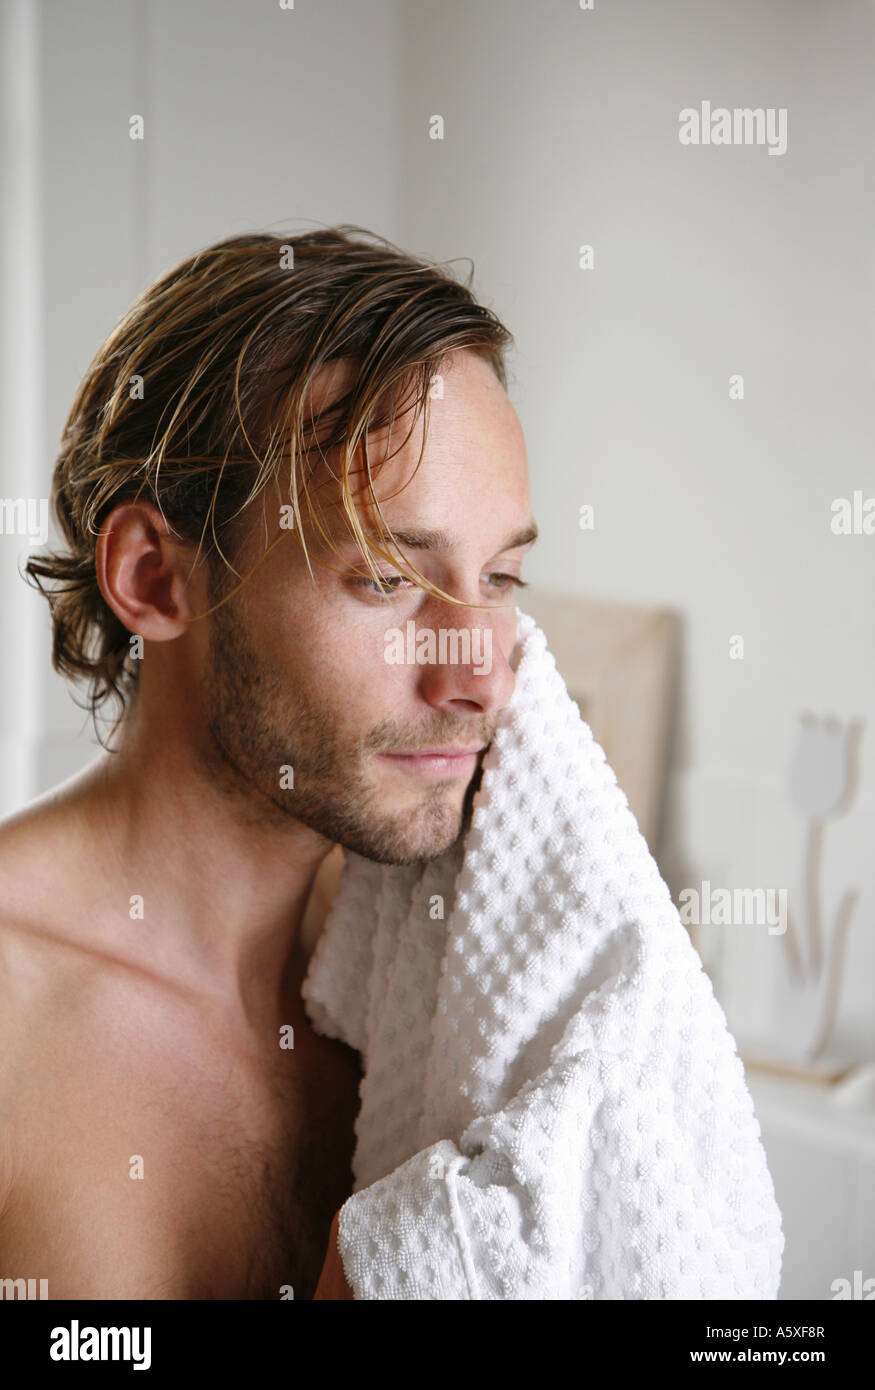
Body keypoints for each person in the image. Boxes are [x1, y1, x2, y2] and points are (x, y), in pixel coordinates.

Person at [0, 226, 533, 1299]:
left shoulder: (455, 988)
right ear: (154, 578)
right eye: (385, 577)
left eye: (502, 577)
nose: (477, 676)